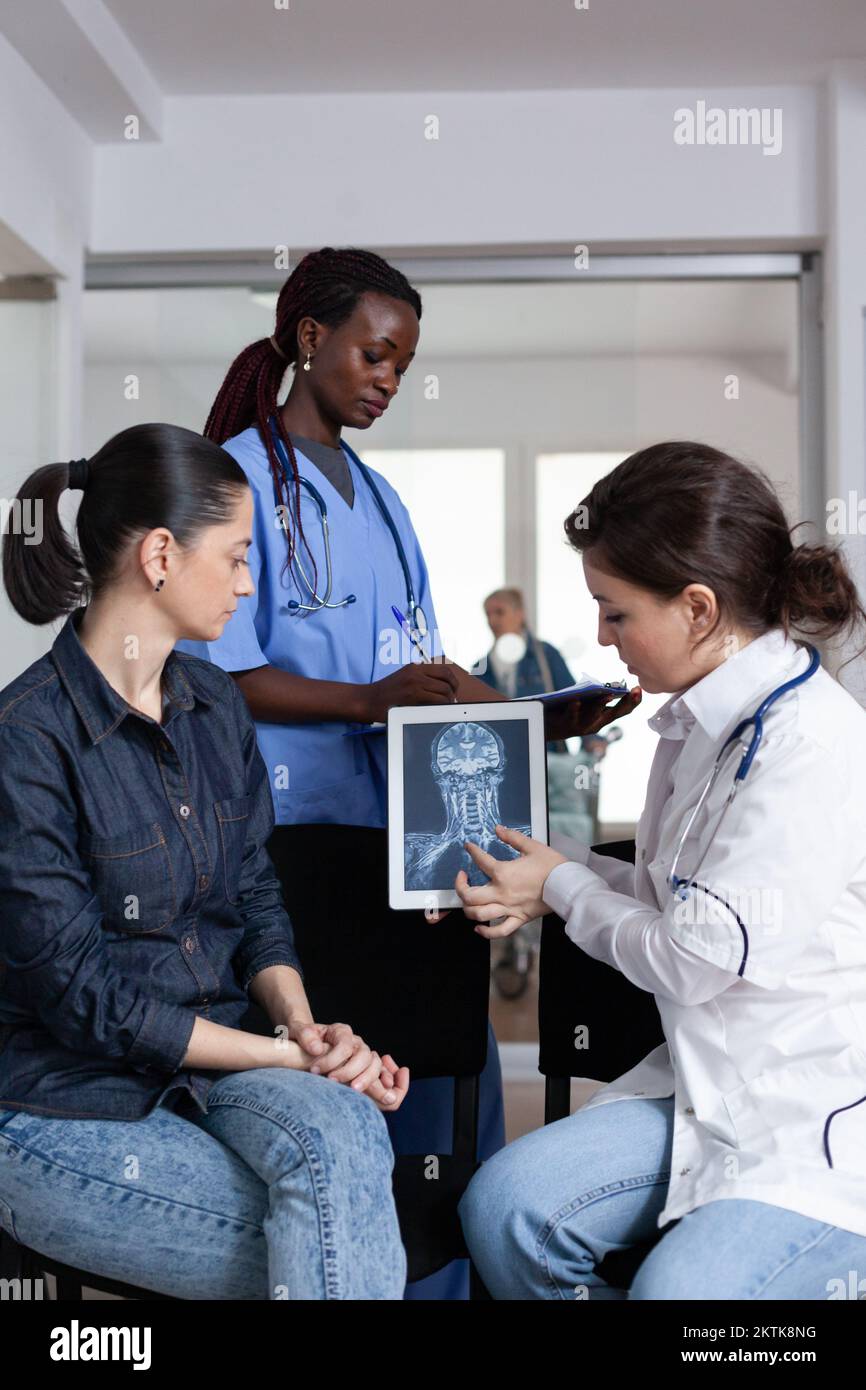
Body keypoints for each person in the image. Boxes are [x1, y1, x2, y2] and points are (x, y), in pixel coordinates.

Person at [175, 246, 640, 1298]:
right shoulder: (231, 484)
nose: (388, 379)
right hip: (281, 849)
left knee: (440, 1087)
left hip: (395, 844)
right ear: (308, 339)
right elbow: (217, 675)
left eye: (402, 363)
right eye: (374, 355)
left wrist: (537, 717)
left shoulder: (383, 505)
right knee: (334, 1098)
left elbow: (420, 677)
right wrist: (362, 702)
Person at [0, 423, 410, 1300]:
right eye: (234, 557)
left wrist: (306, 1033)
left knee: (343, 1144)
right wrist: (289, 1062)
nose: (248, 582)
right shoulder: (26, 739)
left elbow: (254, 893)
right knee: (333, 1241)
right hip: (62, 1100)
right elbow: (87, 1003)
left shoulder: (216, 702)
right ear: (158, 555)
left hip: (215, 1059)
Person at [455, 440, 866, 1300]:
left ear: (698, 609)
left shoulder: (812, 743)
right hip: (704, 1079)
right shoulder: (697, 729)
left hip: (812, 1111)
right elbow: (662, 897)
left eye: (615, 613)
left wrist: (560, 889)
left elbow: (695, 955)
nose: (604, 638)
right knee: (505, 1211)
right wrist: (541, 867)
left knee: (676, 1299)